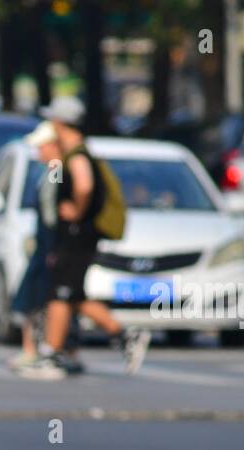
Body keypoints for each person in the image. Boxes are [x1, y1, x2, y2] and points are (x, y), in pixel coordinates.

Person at [18, 96, 149, 380]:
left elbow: (85, 185)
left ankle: (52, 355)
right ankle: (123, 336)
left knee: (61, 292)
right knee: (71, 294)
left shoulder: (76, 154)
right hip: (78, 236)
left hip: (78, 235)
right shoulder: (74, 152)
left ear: (60, 122)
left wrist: (76, 210)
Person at [7, 121, 61, 374]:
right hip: (44, 243)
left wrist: (52, 246)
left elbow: (54, 215)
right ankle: (35, 348)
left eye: (41, 147)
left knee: (37, 296)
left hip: (48, 244)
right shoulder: (50, 170)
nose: (37, 152)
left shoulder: (56, 171)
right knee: (32, 295)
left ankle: (37, 350)